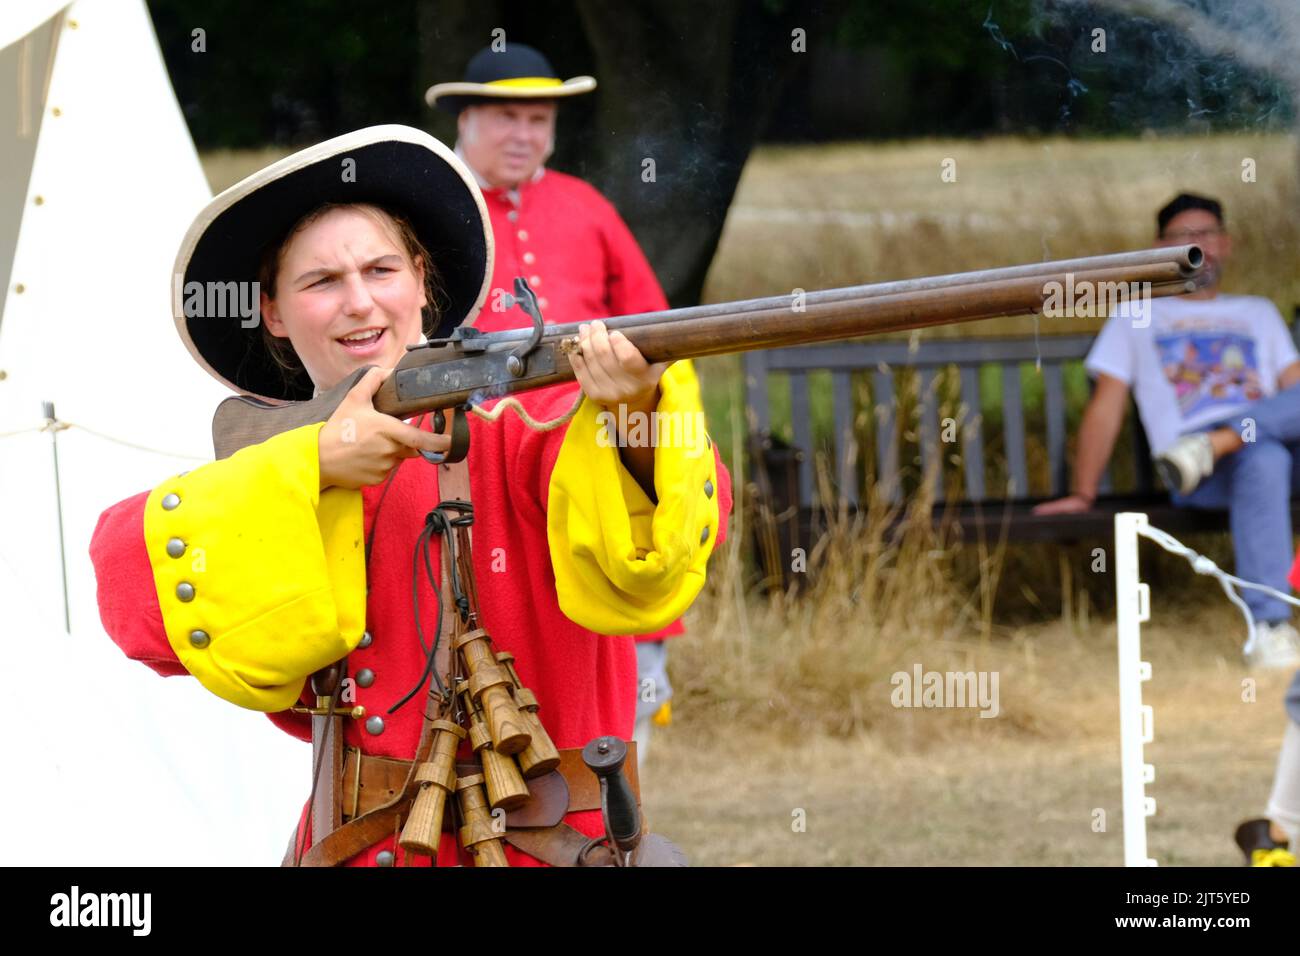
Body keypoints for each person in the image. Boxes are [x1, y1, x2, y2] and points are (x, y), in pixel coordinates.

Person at [88, 125, 732, 866]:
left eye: (381, 270)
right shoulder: (277, 474)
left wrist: (634, 411)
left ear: (422, 282)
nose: (359, 303)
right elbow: (127, 590)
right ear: (273, 312)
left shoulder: (531, 426)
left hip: (562, 848)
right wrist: (317, 467)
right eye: (321, 282)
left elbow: (684, 530)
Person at [428, 43, 695, 767]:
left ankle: (613, 798)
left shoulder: (586, 205)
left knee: (614, 619)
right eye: (507, 116)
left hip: (592, 459)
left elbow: (655, 330)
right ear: (467, 118)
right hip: (469, 471)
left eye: (538, 118)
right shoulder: (430, 210)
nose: (525, 134)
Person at [1034, 193, 1300, 669]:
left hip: (1269, 440)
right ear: (1159, 248)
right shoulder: (1136, 314)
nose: (1199, 245)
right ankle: (1271, 628)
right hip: (1197, 469)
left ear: (1227, 243)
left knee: (1267, 450)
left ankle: (1221, 438)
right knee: (1264, 458)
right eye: (1183, 236)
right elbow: (1107, 406)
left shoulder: (1258, 311)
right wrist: (1083, 492)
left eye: (1207, 234)